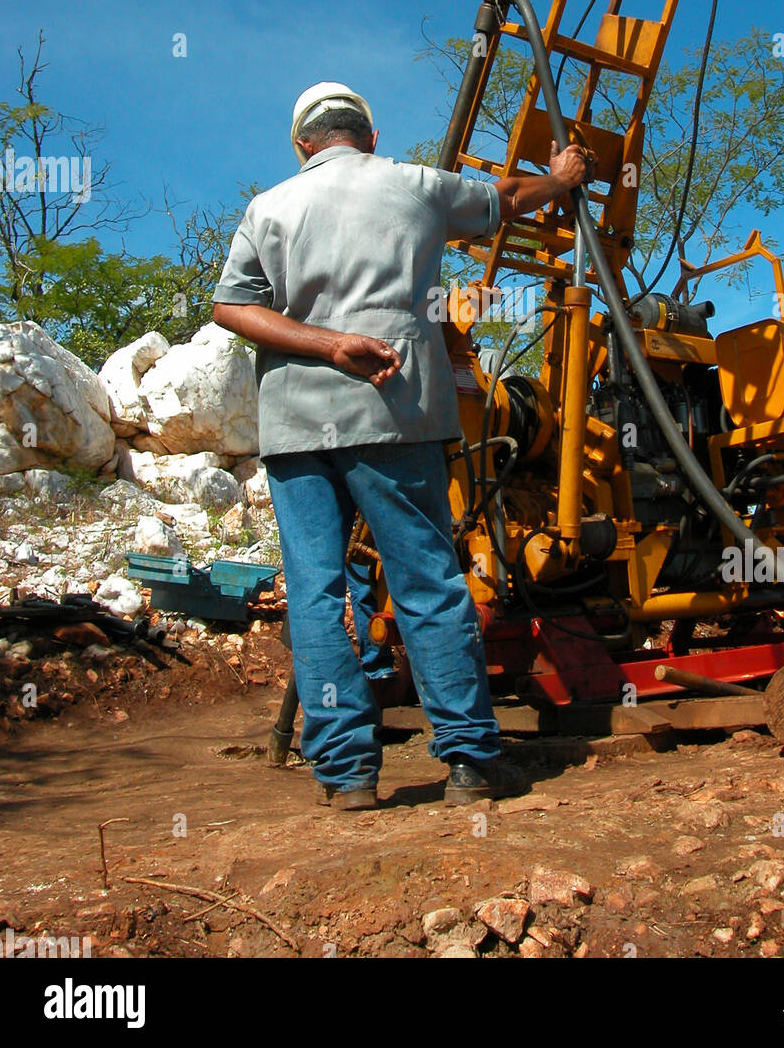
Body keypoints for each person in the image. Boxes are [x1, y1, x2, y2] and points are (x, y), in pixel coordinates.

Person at [212, 81, 589, 810]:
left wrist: (322, 343)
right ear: (371, 137)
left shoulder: (268, 209)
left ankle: (348, 776)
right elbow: (507, 199)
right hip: (396, 412)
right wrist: (565, 179)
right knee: (425, 581)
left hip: (295, 426)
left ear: (302, 145)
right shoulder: (417, 186)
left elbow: (233, 306)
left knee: (317, 596)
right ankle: (470, 765)